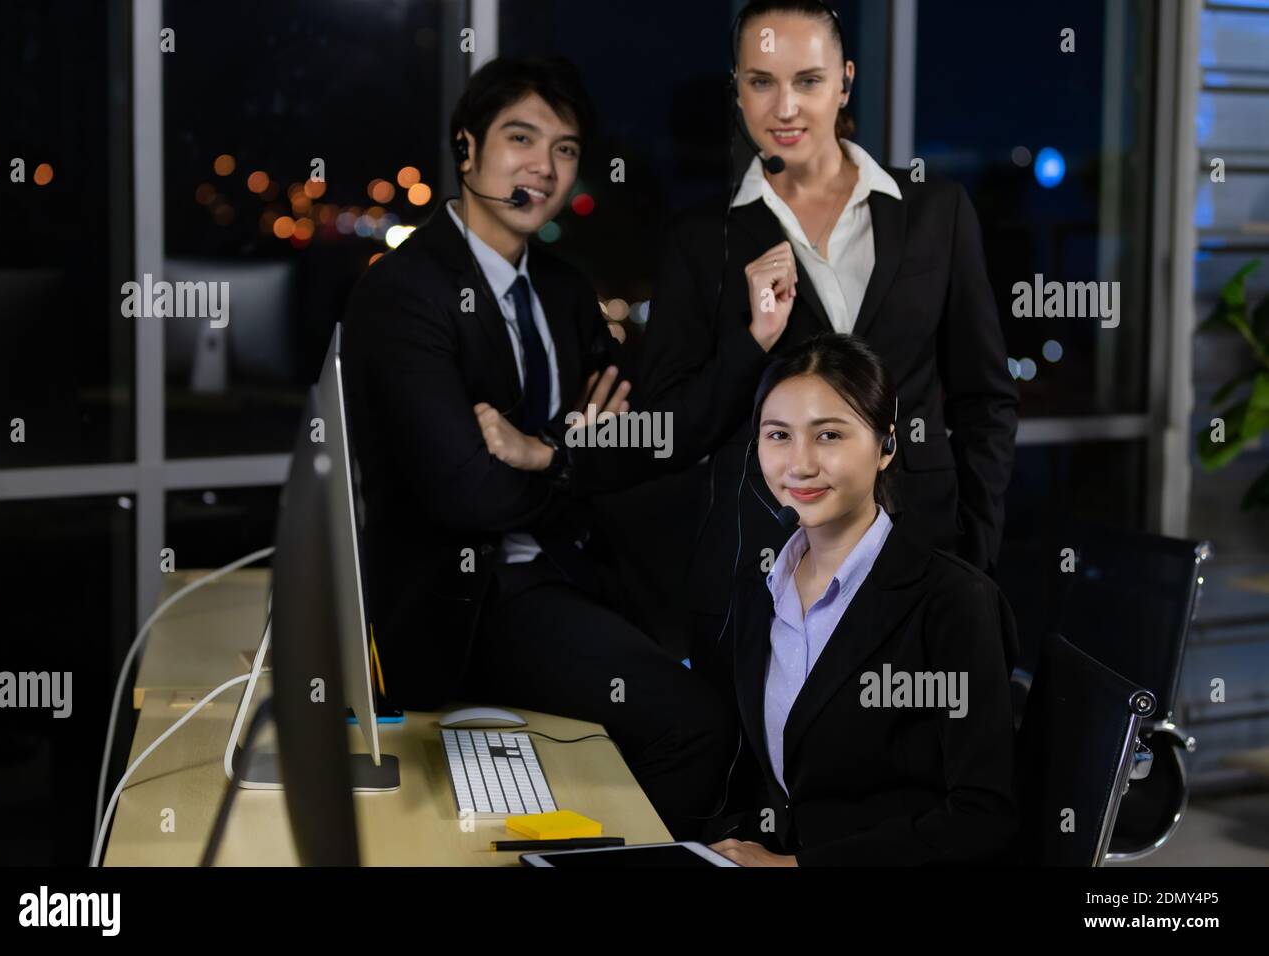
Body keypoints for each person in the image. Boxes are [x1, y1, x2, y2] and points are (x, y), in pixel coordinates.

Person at [340, 56, 734, 839]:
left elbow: (635, 440)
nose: (544, 166)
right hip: (473, 603)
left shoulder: (560, 286)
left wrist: (540, 452)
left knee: (736, 684)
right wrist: (568, 454)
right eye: (520, 137)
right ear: (466, 149)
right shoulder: (405, 291)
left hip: (578, 572)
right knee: (694, 726)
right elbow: (466, 495)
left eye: (564, 148)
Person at [637, 0, 1019, 681]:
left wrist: (973, 554)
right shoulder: (700, 240)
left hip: (923, 551)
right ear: (737, 89)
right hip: (762, 564)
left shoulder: (937, 212)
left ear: (843, 82)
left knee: (912, 772)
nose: (784, 107)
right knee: (770, 772)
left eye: (807, 81)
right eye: (761, 81)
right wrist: (753, 344)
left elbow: (985, 400)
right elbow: (669, 429)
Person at [707, 333, 1019, 866]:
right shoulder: (762, 581)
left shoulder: (953, 601)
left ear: (886, 446)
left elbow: (981, 816)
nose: (799, 465)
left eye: (829, 435)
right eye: (778, 435)